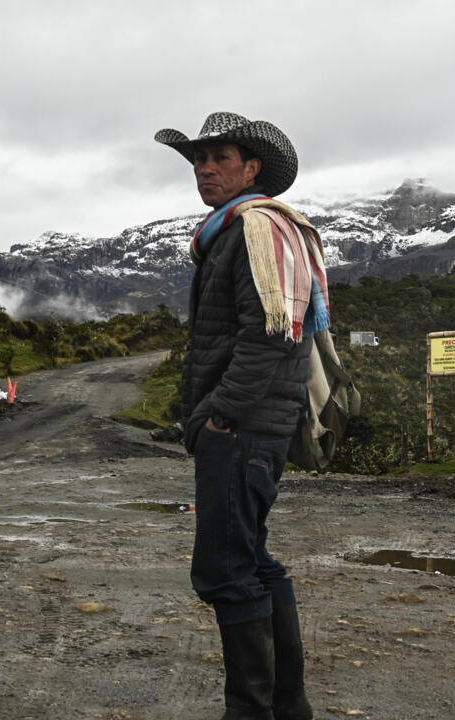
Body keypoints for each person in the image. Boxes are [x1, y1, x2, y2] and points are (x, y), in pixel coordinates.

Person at [155, 111, 328, 720]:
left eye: (219, 158)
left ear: (252, 169)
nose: (205, 169)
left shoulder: (254, 228)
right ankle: (288, 706)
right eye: (199, 160)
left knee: (226, 570)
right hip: (256, 423)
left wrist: (219, 416)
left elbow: (270, 333)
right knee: (251, 559)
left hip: (243, 426)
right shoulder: (237, 230)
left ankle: (252, 712)